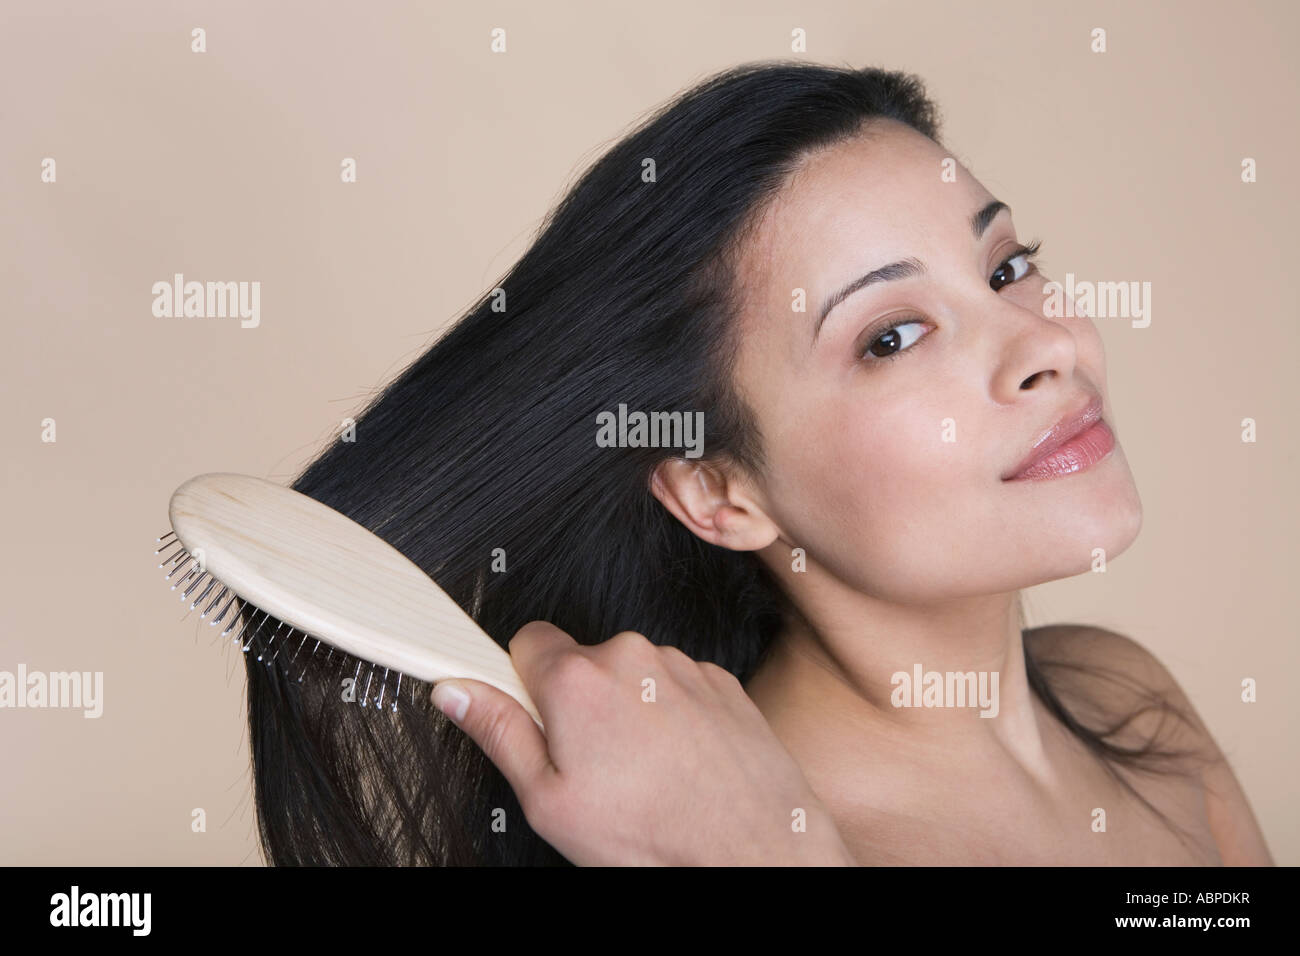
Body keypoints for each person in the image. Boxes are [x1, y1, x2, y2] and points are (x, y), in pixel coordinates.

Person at [243, 61, 1273, 866]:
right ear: (716, 490)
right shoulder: (693, 835)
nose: (1043, 343)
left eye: (1005, 266)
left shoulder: (1123, 699)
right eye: (891, 336)